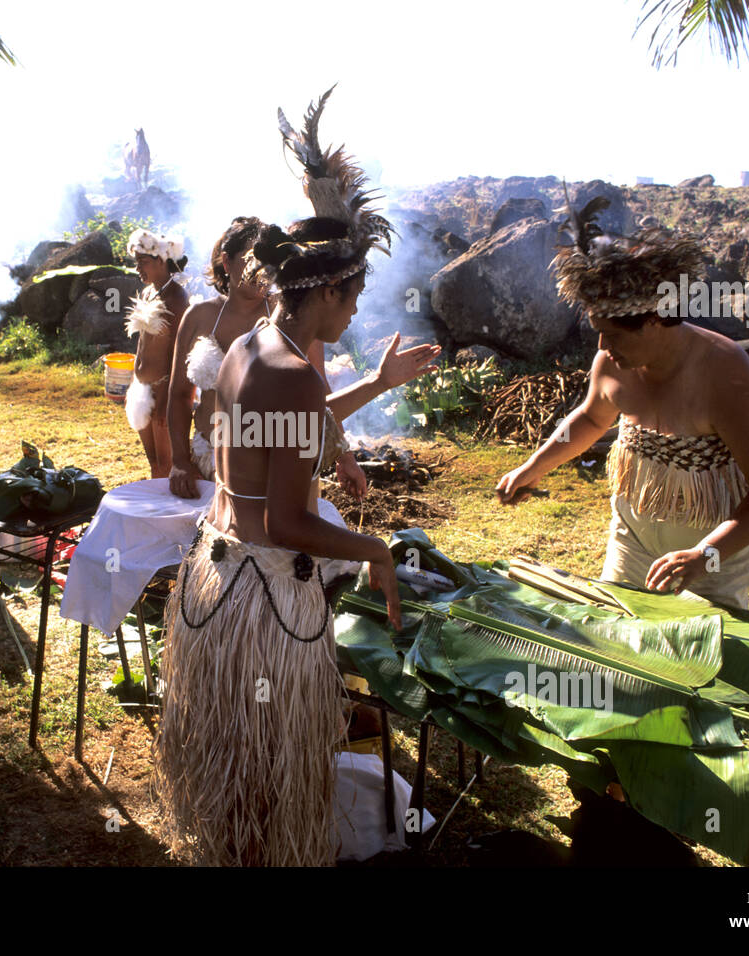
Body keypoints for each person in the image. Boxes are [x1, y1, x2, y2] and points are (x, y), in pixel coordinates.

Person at [153, 88, 436, 866]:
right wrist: (374, 550)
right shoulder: (293, 374)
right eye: (354, 300)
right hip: (266, 596)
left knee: (243, 767)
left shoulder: (250, 347)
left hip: (219, 583)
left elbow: (279, 436)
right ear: (332, 291)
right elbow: (285, 521)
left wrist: (375, 385)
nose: (353, 316)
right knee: (270, 775)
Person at [496, 199, 749, 608]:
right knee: (617, 638)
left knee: (700, 657)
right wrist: (534, 466)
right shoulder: (612, 363)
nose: (602, 347)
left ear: (654, 321)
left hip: (714, 552)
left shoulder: (723, 372)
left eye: (613, 335)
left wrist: (704, 555)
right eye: (598, 332)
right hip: (634, 539)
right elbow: (589, 418)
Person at [166, 216, 369, 501]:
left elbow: (318, 389)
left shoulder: (291, 315)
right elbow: (179, 396)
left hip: (271, 463)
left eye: (263, 260)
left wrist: (343, 454)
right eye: (249, 259)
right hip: (207, 458)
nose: (259, 269)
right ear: (227, 261)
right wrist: (180, 461)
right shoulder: (199, 316)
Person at [123, 229, 190, 478]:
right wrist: (134, 382)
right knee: (153, 463)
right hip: (142, 388)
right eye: (136, 262)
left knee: (167, 465)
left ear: (161, 260)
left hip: (164, 389)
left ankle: (171, 515)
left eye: (143, 262)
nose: (138, 268)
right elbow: (143, 345)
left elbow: (180, 352)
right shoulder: (149, 292)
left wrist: (167, 402)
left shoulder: (178, 298)